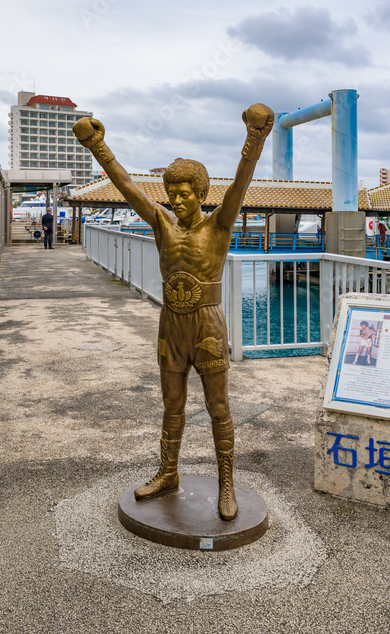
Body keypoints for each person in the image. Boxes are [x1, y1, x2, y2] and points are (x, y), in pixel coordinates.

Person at [73, 103, 274, 521]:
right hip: (172, 322)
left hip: (207, 323)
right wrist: (99, 146)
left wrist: (254, 139)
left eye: (187, 194)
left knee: (218, 407)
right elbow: (128, 187)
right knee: (172, 405)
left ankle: (226, 483)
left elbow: (240, 183)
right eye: (173, 193)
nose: (178, 200)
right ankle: (168, 472)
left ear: (201, 195)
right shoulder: (161, 224)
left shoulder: (219, 225)